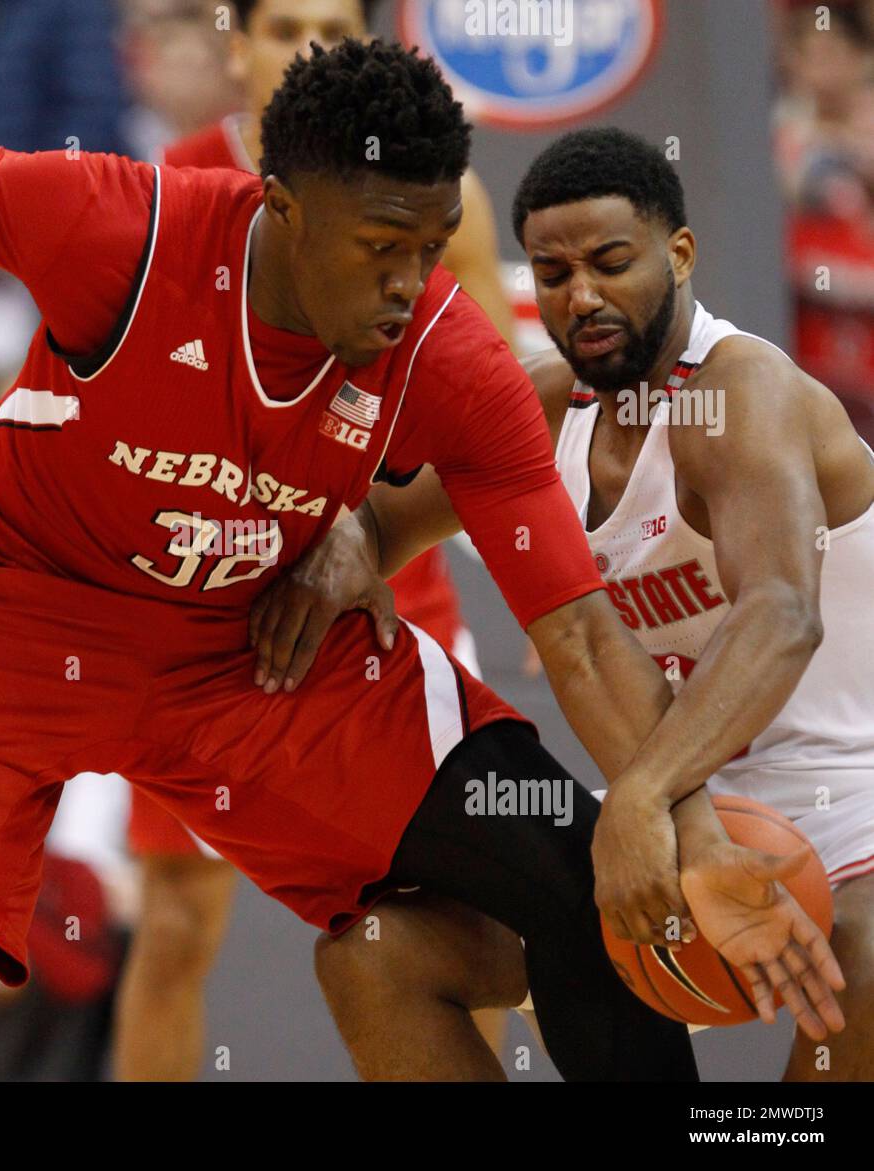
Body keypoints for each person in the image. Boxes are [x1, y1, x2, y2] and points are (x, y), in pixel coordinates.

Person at [0, 41, 835, 1084]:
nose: (411, 283)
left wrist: (663, 815)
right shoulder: (115, 226)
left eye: (433, 242)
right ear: (281, 206)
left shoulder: (448, 356)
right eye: (380, 244)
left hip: (248, 651)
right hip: (7, 611)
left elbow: (576, 630)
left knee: (565, 861)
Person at [271, 127, 870, 1079]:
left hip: (847, 794)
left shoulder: (743, 393)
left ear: (679, 254)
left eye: (609, 263)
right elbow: (383, 522)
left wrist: (638, 794)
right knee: (377, 953)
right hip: (684, 799)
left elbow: (782, 616)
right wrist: (346, 544)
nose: (580, 294)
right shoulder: (543, 406)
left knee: (872, 955)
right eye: (551, 272)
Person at [116, 0, 511, 1081]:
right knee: (176, 926)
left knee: (463, 919)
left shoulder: (447, 200)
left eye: (336, 24)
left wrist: (363, 511)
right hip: (207, 609)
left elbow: (493, 416)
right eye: (286, 24)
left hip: (388, 591)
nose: (312, 48)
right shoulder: (163, 196)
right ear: (232, 41)